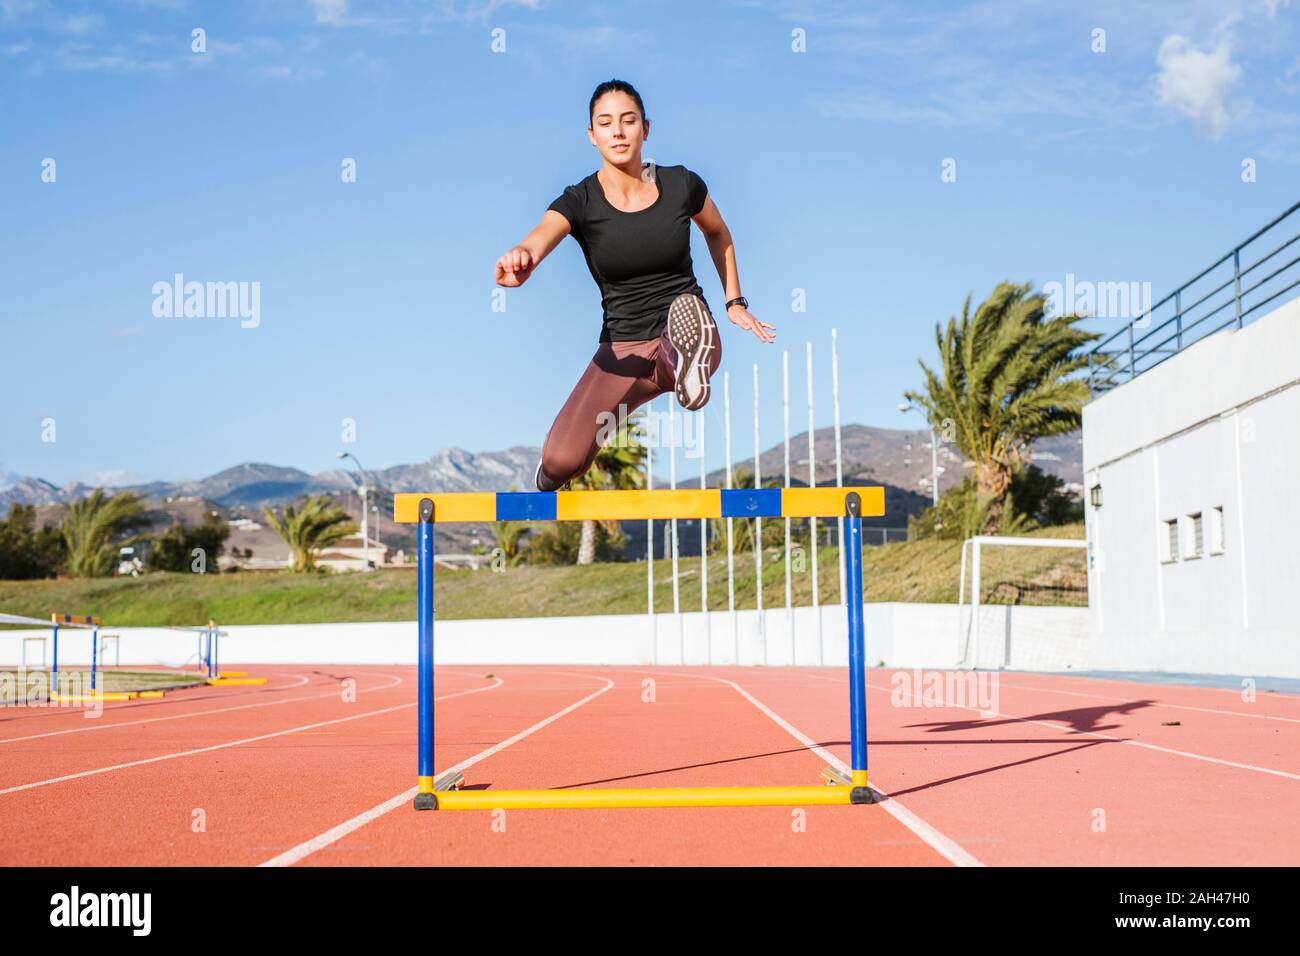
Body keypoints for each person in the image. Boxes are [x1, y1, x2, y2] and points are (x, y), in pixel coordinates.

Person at [494, 78, 776, 492]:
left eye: (628, 121)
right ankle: (555, 474)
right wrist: (522, 256)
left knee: (681, 349)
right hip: (619, 348)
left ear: (646, 128)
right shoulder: (580, 200)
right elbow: (542, 235)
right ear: (592, 136)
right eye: (606, 123)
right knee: (560, 459)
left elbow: (719, 233)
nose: (618, 131)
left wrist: (734, 301)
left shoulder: (682, 184)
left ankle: (682, 363)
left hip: (683, 326)